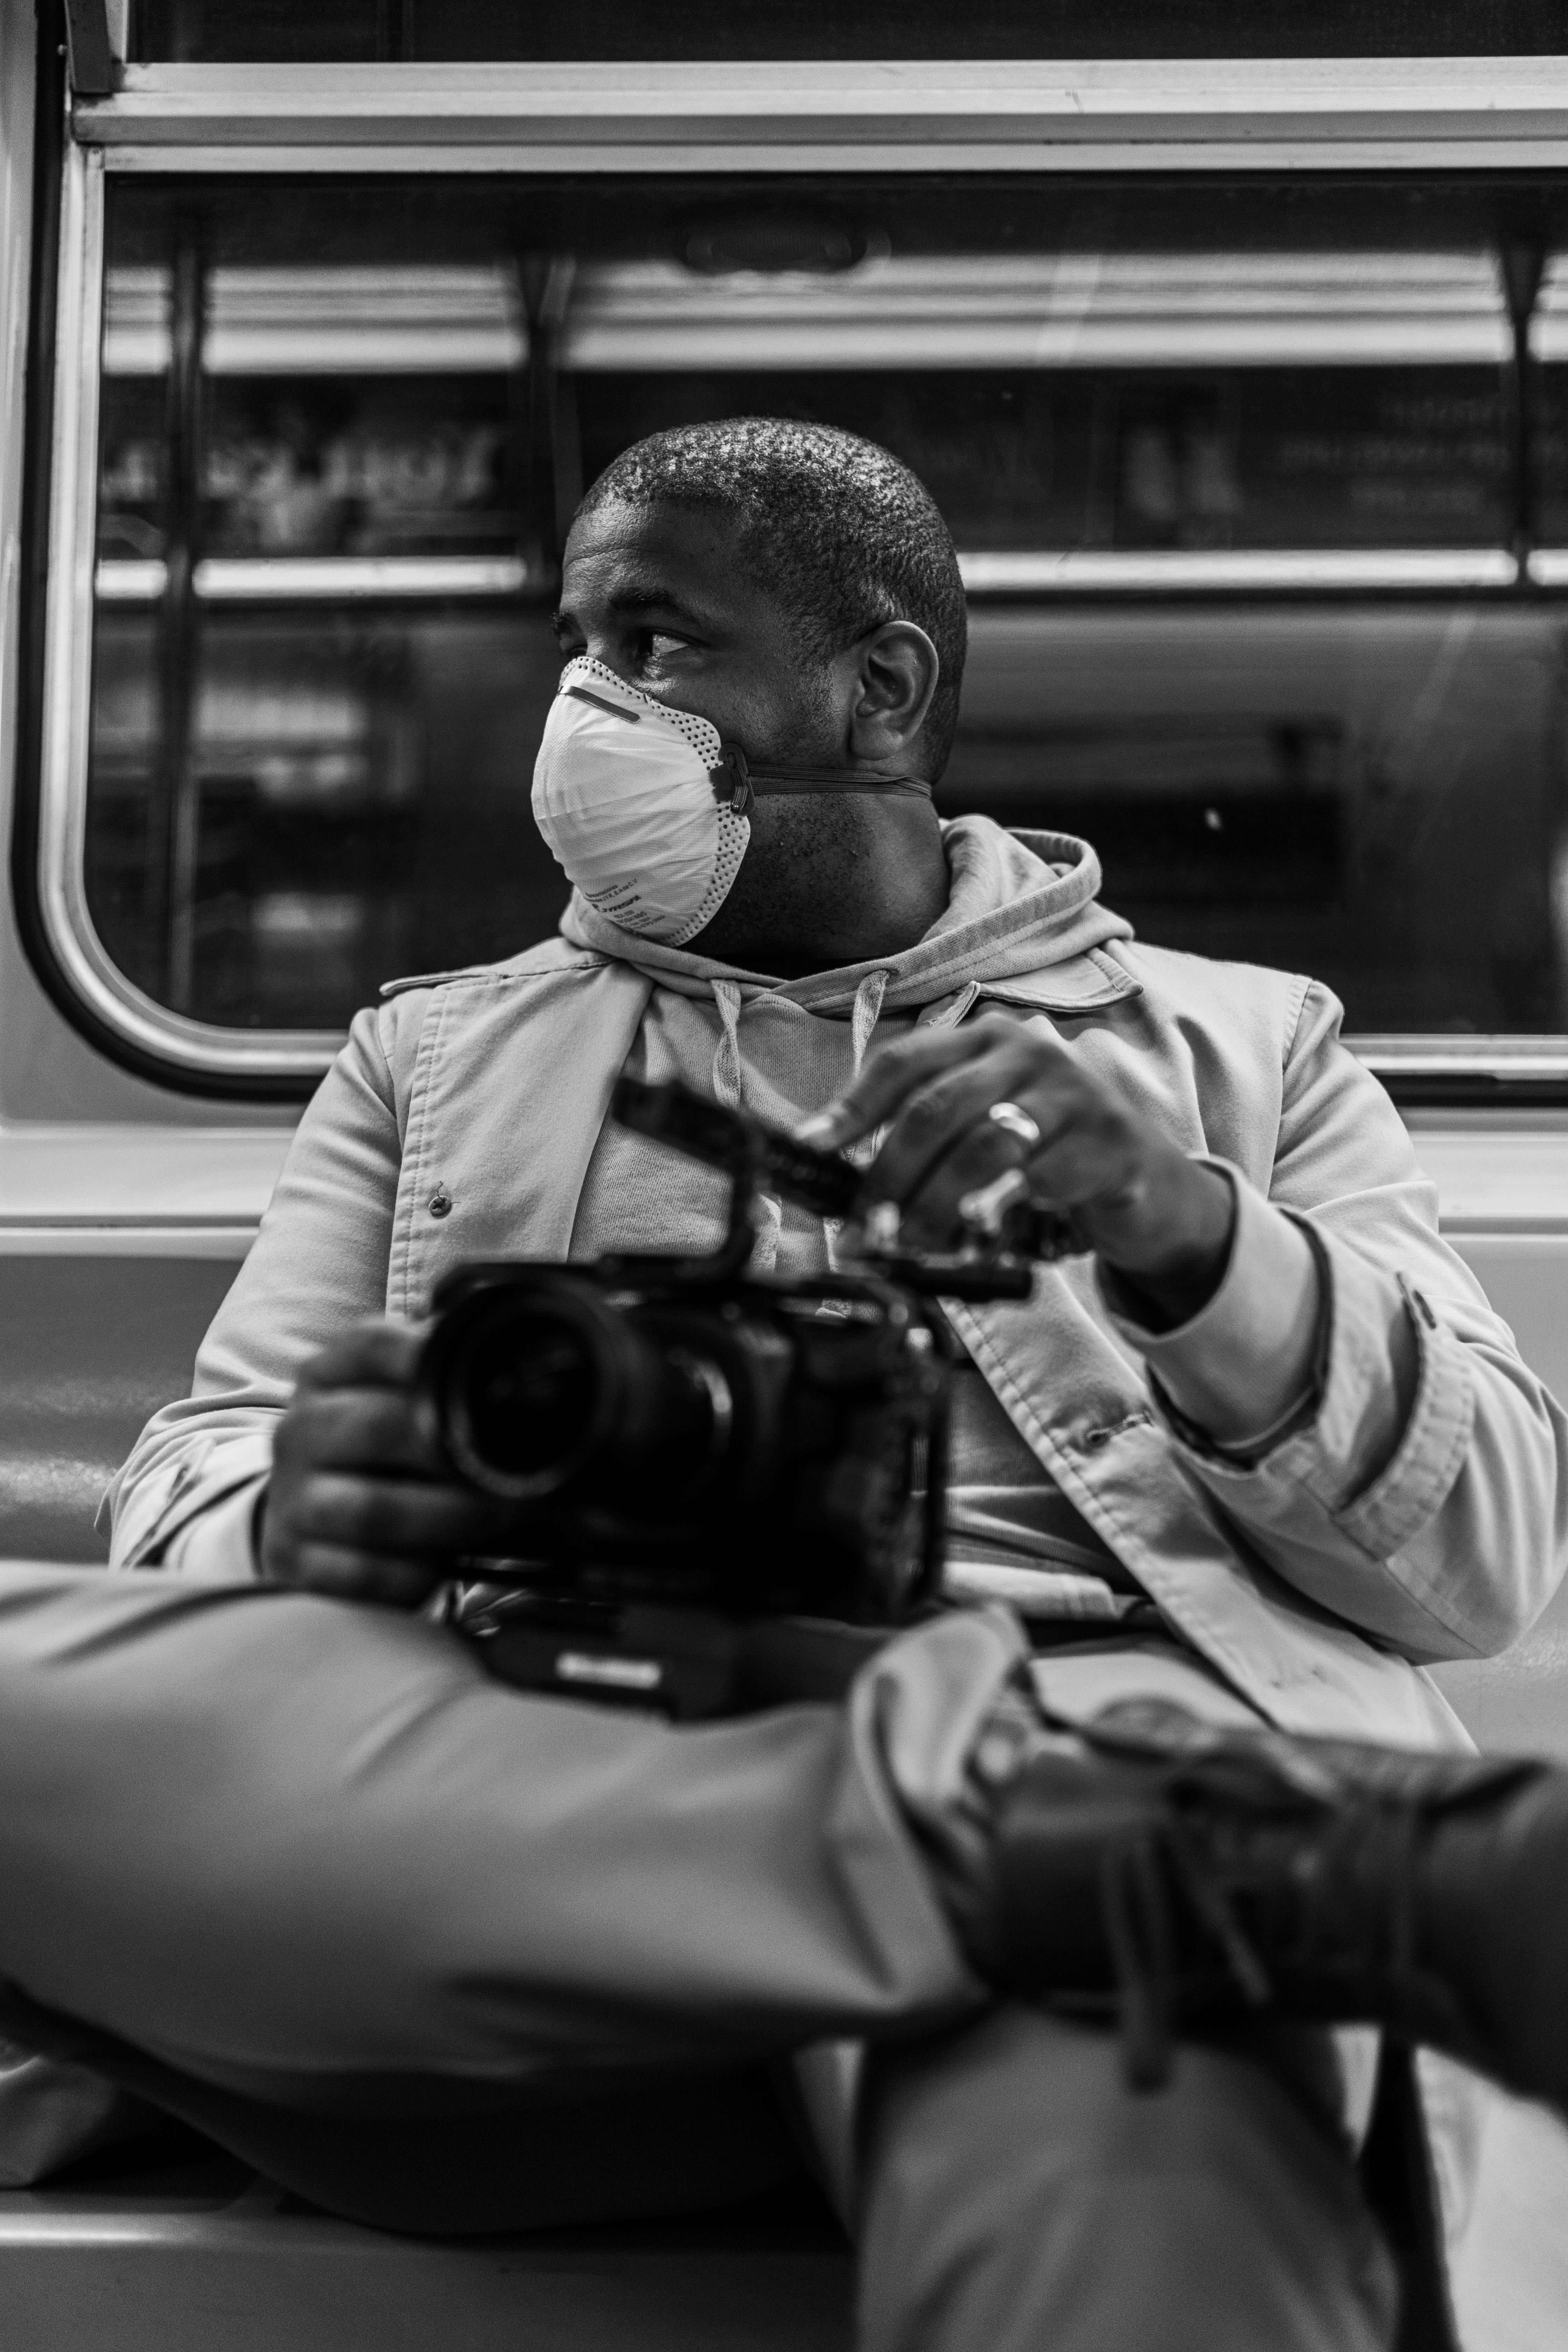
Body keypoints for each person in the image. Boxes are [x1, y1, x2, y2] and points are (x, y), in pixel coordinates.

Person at [1, 418, 1565, 2351]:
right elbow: (210, 1470)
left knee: (1129, 2120)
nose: (588, 697)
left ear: (879, 688)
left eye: (657, 642)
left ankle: (1077, 1861)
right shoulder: (436, 1060)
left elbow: (1484, 1554)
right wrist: (302, 1508)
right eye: (580, 639)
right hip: (530, 1777)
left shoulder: (1237, 1053)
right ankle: (1144, 1856)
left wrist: (1187, 1238)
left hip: (1053, 1726)